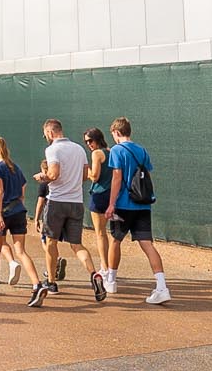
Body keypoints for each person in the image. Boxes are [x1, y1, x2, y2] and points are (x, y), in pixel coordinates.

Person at [102, 116, 168, 304]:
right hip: (143, 204)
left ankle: (111, 281)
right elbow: (146, 173)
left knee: (115, 240)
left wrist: (111, 203)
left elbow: (117, 177)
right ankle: (162, 287)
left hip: (123, 204)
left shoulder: (116, 150)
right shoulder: (142, 150)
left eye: (113, 134)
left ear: (116, 132)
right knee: (147, 244)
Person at [0, 138, 50, 307]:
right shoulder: (15, 167)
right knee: (21, 251)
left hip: (4, 212)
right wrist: (19, 200)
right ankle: (36, 284)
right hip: (19, 211)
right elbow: (23, 187)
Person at [34, 118, 95, 301]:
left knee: (51, 242)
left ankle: (51, 282)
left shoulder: (52, 149)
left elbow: (54, 174)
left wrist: (42, 177)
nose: (46, 138)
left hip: (57, 202)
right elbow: (85, 175)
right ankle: (94, 275)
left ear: (51, 133)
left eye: (46, 135)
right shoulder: (79, 149)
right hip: (76, 202)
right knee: (76, 245)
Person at [83, 126, 119, 291]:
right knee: (114, 236)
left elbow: (95, 176)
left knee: (100, 234)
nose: (89, 144)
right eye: (86, 142)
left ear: (97, 139)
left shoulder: (97, 154)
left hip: (99, 196)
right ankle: (110, 271)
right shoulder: (112, 151)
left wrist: (87, 170)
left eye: (90, 141)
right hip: (113, 197)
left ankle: (105, 268)